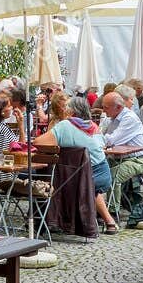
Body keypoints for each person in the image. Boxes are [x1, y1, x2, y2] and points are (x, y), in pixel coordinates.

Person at [37, 92, 120, 234]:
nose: (65, 110)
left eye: (67, 108)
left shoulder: (65, 125)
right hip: (102, 174)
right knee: (87, 185)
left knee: (48, 177)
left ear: (73, 111)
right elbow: (102, 145)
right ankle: (109, 221)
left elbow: (38, 142)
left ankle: (48, 220)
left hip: (78, 178)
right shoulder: (93, 126)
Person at [101, 90, 143, 229]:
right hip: (118, 157)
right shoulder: (109, 118)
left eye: (106, 107)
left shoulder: (129, 118)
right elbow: (101, 134)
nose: (103, 110)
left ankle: (112, 211)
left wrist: (96, 140)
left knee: (113, 176)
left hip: (138, 159)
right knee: (95, 170)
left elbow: (110, 140)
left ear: (118, 107)